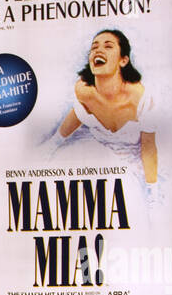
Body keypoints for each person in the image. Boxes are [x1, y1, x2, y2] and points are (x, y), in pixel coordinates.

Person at [54, 29, 160, 203]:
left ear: (123, 60)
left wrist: (152, 194)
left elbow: (149, 149)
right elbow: (78, 115)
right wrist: (52, 145)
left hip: (138, 177)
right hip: (100, 175)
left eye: (108, 46)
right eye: (94, 47)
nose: (98, 50)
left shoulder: (141, 98)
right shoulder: (84, 92)